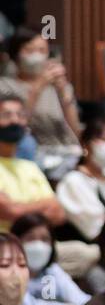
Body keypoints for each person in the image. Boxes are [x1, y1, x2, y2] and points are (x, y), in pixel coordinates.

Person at [0, 27, 81, 161]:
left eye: (42, 50)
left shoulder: (57, 87)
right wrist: (38, 87)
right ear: (16, 54)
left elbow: (75, 132)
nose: (36, 56)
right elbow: (17, 125)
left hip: (62, 153)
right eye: (29, 50)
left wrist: (64, 94)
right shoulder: (5, 86)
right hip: (27, 153)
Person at [12, 212, 88, 305]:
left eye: (44, 239)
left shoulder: (52, 270)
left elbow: (83, 302)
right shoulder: (10, 273)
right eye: (30, 239)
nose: (38, 245)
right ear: (16, 242)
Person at [0, 95, 65, 233]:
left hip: (35, 241)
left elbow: (58, 213)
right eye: (6, 115)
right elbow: (9, 211)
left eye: (20, 115)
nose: (15, 120)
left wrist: (19, 209)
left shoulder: (31, 167)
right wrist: (44, 205)